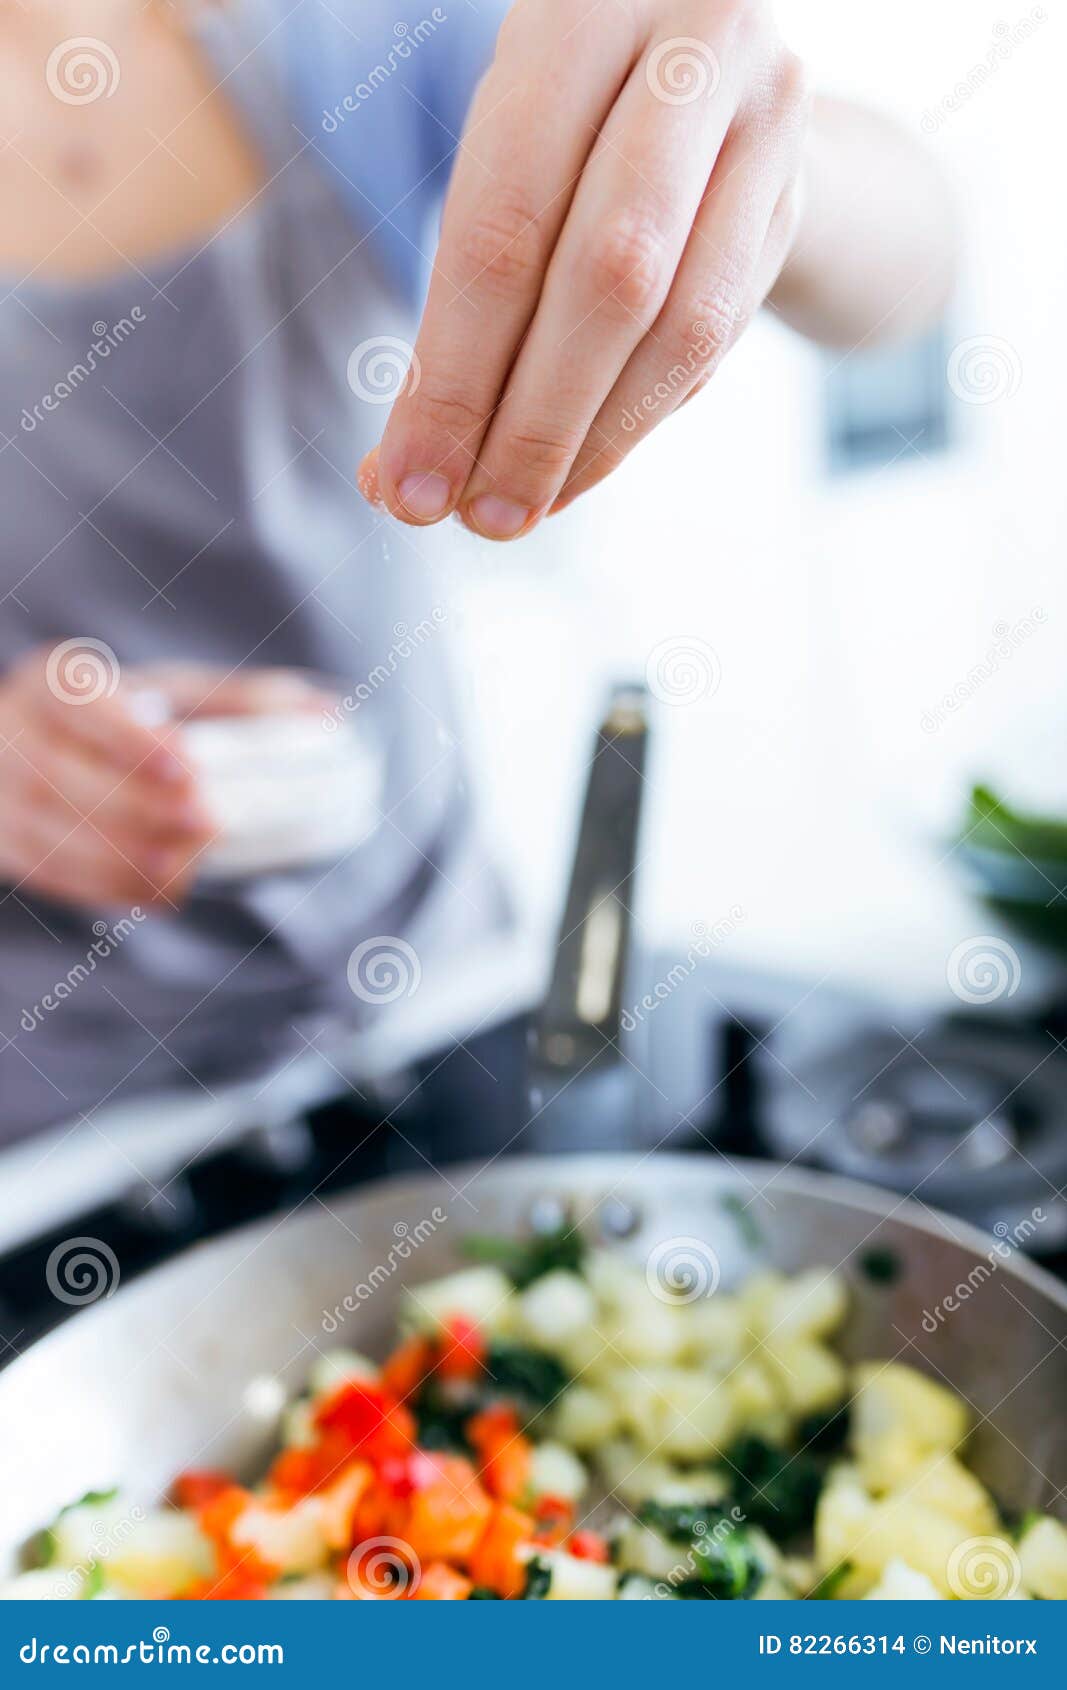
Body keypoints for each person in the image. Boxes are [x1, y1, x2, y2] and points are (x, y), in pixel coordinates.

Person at [0, 0, 956, 1143]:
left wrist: (759, 146)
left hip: (427, 1004)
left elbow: (916, 253)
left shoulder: (343, 32)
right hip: (48, 1113)